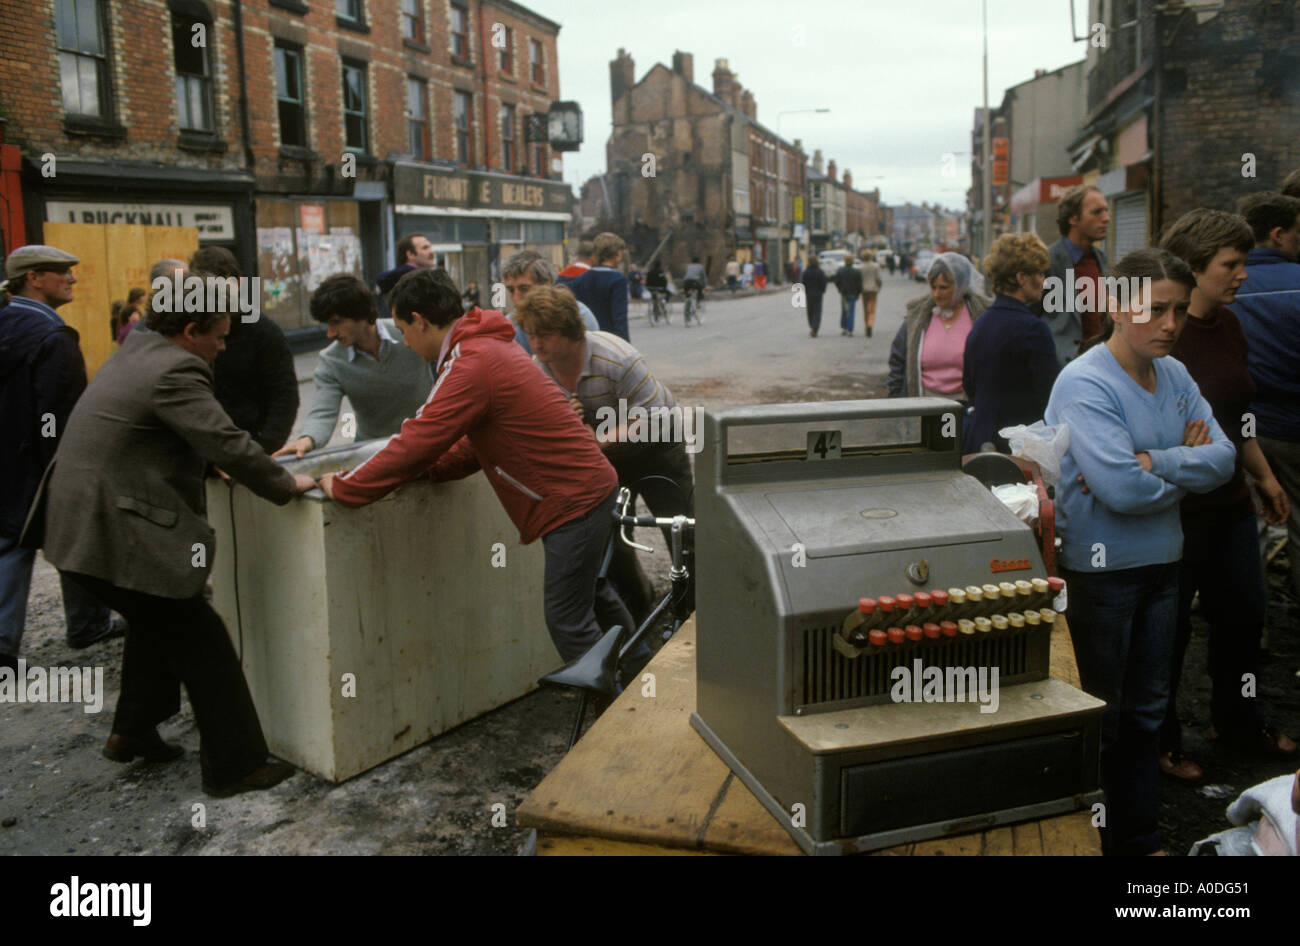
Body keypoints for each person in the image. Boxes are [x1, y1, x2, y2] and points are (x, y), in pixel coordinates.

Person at [31, 275, 316, 795]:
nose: (224, 347)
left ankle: (132, 730)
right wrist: (285, 482)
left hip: (76, 525)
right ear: (190, 330)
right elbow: (223, 439)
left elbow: (159, 433)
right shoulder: (176, 367)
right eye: (220, 336)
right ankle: (237, 766)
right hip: (108, 527)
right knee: (202, 639)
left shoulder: (138, 347)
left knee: (153, 611)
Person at [316, 268, 637, 668]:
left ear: (420, 321)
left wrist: (347, 487)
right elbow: (475, 441)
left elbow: (418, 439)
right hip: (587, 488)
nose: (406, 342)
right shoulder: (487, 346)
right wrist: (433, 470)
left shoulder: (470, 362)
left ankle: (619, 716)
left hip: (571, 500)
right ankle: (639, 670)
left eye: (404, 329)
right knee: (594, 594)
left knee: (568, 621)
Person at [1045, 248, 1236, 856]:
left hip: (1163, 564)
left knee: (1149, 713)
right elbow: (1123, 491)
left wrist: (1158, 461)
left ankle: (1140, 836)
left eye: (1178, 309)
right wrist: (1183, 461)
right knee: (1100, 718)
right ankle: (1092, 840)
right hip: (1101, 573)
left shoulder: (1175, 375)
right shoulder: (1085, 381)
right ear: (1116, 307)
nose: (1171, 323)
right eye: (1155, 309)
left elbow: (1226, 460)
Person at [1158, 209, 1295, 779]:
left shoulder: (1231, 327)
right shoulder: (1164, 332)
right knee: (1169, 630)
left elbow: (1237, 416)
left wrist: (1262, 473)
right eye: (1230, 264)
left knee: (1242, 615)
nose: (1242, 275)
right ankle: (1162, 738)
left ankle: (1236, 719)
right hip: (1176, 511)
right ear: (1194, 267)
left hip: (1231, 503)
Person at [518, 283, 694, 626]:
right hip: (605, 451)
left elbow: (655, 419)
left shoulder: (616, 356)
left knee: (682, 526)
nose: (536, 344)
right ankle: (638, 615)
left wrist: (597, 439)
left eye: (545, 335)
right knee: (607, 534)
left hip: (656, 442)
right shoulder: (539, 369)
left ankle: (693, 610)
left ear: (570, 330)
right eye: (530, 335)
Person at [0, 245, 125, 673]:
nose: (72, 279)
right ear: (34, 278)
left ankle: (2, 646)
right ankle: (88, 624)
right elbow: (54, 413)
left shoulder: (7, 323)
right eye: (62, 272)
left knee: (10, 547)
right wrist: (65, 464)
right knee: (77, 534)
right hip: (41, 460)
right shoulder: (52, 336)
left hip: (6, 459)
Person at [274, 273, 433, 458]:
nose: (330, 333)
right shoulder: (331, 361)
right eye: (327, 324)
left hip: (425, 443)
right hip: (374, 452)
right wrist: (307, 439)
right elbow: (323, 412)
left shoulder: (406, 332)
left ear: (361, 314)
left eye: (336, 322)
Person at [1230, 191, 1300, 601]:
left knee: (1246, 524)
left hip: (1242, 429)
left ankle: (1249, 623)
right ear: (1277, 234)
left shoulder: (1226, 287)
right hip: (1293, 430)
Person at [189, 247, 299, 455]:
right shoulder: (188, 329)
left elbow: (283, 397)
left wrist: (260, 451)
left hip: (250, 446)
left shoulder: (263, 331)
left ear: (237, 283)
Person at [962, 233, 1059, 454]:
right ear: (1022, 277)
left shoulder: (980, 325)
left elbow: (969, 385)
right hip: (1019, 446)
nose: (1044, 282)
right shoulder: (1034, 330)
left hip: (979, 440)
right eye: (1040, 274)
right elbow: (1050, 397)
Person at [887, 252, 990, 399]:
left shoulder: (980, 316)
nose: (936, 294)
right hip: (925, 404)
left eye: (943, 287)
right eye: (933, 287)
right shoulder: (917, 316)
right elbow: (898, 359)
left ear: (961, 285)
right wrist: (896, 397)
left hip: (967, 406)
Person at [1038, 184, 1111, 364]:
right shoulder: (1047, 261)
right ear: (1073, 218)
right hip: (1063, 364)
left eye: (1106, 211)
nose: (1106, 218)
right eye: (1097, 212)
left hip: (1101, 361)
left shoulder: (1101, 259)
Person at [499, 250, 599, 355]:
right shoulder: (509, 326)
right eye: (511, 290)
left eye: (524, 289)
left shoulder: (580, 317)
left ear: (547, 285)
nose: (516, 298)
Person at [563, 232, 629, 340]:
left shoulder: (580, 279)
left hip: (587, 339)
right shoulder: (618, 280)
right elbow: (620, 319)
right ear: (616, 255)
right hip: (609, 340)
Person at [832, 255, 863, 336]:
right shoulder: (856, 271)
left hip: (844, 294)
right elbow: (859, 284)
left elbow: (836, 282)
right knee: (851, 312)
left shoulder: (841, 271)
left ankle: (844, 328)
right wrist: (858, 293)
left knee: (844, 311)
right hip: (852, 294)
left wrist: (840, 289)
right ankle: (850, 330)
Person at [857, 251, 883, 338]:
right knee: (872, 309)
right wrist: (879, 287)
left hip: (864, 290)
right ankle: (870, 324)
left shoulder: (860, 267)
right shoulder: (876, 266)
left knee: (865, 310)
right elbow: (879, 278)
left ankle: (866, 326)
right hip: (873, 290)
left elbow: (859, 279)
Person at [801, 256, 828, 337]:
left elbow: (803, 283)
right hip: (818, 294)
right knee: (817, 311)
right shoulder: (820, 272)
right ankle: (815, 327)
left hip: (809, 294)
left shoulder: (806, 272)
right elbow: (823, 282)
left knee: (810, 311)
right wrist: (822, 290)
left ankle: (812, 325)